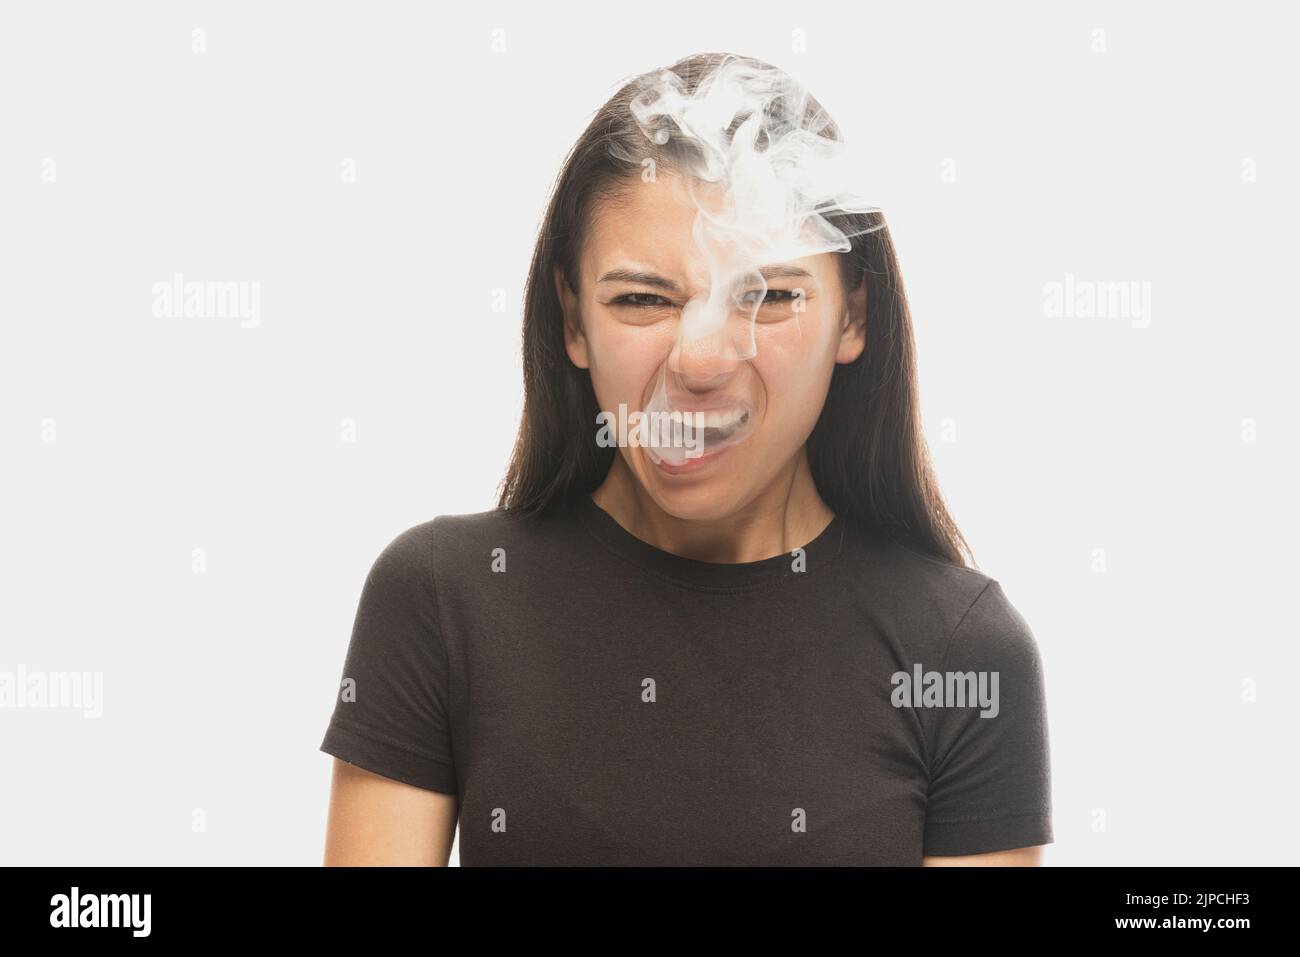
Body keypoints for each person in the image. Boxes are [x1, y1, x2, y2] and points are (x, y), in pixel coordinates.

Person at [320, 51, 1053, 866]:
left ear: (854, 317)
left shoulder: (958, 654)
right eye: (643, 299)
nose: (700, 361)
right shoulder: (439, 600)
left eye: (768, 296)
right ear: (572, 321)